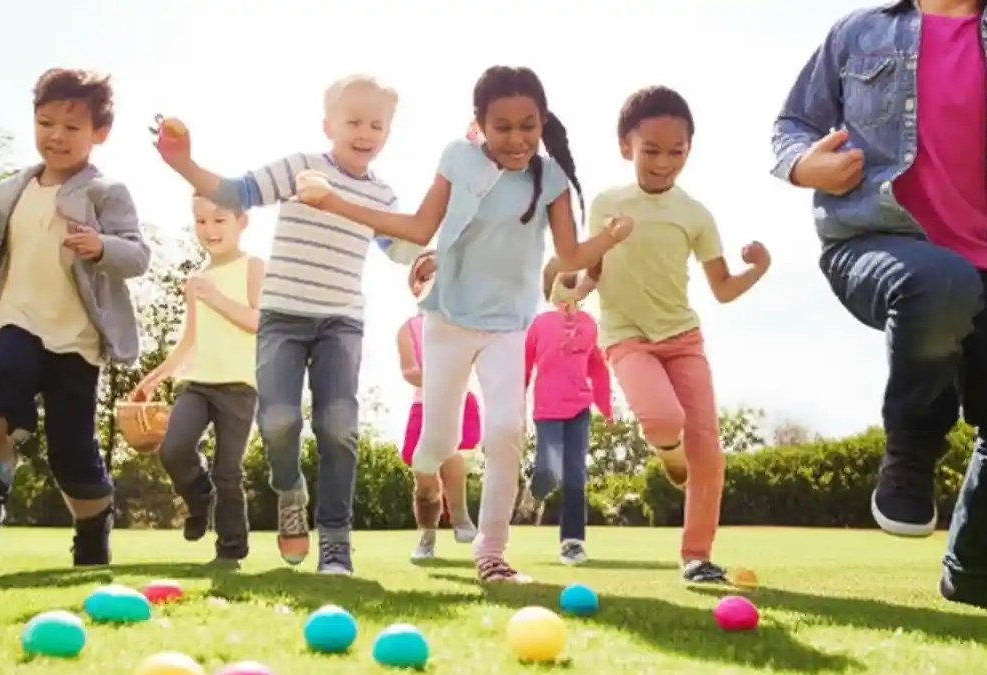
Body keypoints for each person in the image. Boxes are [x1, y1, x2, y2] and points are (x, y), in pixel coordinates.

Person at [770, 0, 987, 610]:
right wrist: (803, 166)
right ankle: (911, 452)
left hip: (984, 262)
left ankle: (976, 570)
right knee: (939, 281)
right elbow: (790, 125)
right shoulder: (859, 32)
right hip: (871, 243)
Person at [297, 65, 633, 583]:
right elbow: (417, 226)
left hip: (507, 324)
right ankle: (428, 473)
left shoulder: (551, 180)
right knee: (437, 440)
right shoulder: (458, 159)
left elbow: (568, 253)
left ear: (543, 121)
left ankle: (492, 553)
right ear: (478, 124)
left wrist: (608, 239)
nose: (518, 138)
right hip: (448, 317)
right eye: (503, 126)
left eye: (529, 124)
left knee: (505, 431)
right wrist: (336, 202)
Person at [153, 74, 422, 575]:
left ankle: (336, 543)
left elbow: (401, 248)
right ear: (329, 125)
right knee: (278, 421)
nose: (366, 133)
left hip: (341, 322)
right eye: (354, 122)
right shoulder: (302, 169)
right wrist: (182, 163)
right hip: (282, 318)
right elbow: (237, 191)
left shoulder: (382, 197)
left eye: (377, 125)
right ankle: (289, 489)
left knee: (338, 428)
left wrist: (426, 260)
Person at [0, 68, 150, 566]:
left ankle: (93, 525)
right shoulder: (15, 191)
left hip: (76, 339)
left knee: (70, 452)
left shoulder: (106, 192)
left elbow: (137, 256)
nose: (56, 136)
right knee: (4, 378)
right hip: (17, 319)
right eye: (46, 122)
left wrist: (100, 246)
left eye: (72, 127)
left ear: (100, 134)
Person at [589, 86, 770, 583]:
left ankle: (696, 555)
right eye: (651, 150)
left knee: (708, 451)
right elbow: (594, 268)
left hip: (683, 339)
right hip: (626, 336)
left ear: (690, 149)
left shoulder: (695, 214)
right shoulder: (606, 202)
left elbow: (724, 288)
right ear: (626, 146)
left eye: (677, 151)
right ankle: (670, 455)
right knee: (664, 420)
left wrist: (759, 268)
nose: (664, 162)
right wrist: (569, 282)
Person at [133, 195, 264, 569]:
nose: (209, 229)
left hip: (240, 386)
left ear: (242, 222)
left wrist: (218, 298)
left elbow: (260, 322)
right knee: (173, 449)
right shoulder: (197, 279)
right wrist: (157, 375)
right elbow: (190, 339)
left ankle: (230, 550)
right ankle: (198, 497)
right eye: (201, 221)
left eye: (219, 220)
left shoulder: (254, 266)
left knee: (228, 470)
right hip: (198, 383)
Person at [524, 266, 612, 565]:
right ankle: (536, 482)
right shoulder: (539, 324)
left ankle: (572, 542)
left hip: (579, 410)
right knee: (550, 471)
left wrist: (606, 405)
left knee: (575, 475)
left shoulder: (589, 324)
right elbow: (524, 364)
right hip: (547, 410)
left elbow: (598, 367)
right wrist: (513, 399)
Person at [397, 249, 480, 562]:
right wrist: (438, 379)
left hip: (458, 401)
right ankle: (427, 535)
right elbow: (409, 371)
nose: (435, 281)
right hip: (424, 405)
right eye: (426, 276)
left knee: (453, 452)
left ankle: (459, 516)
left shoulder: (463, 324)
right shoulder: (409, 329)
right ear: (416, 287)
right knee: (424, 477)